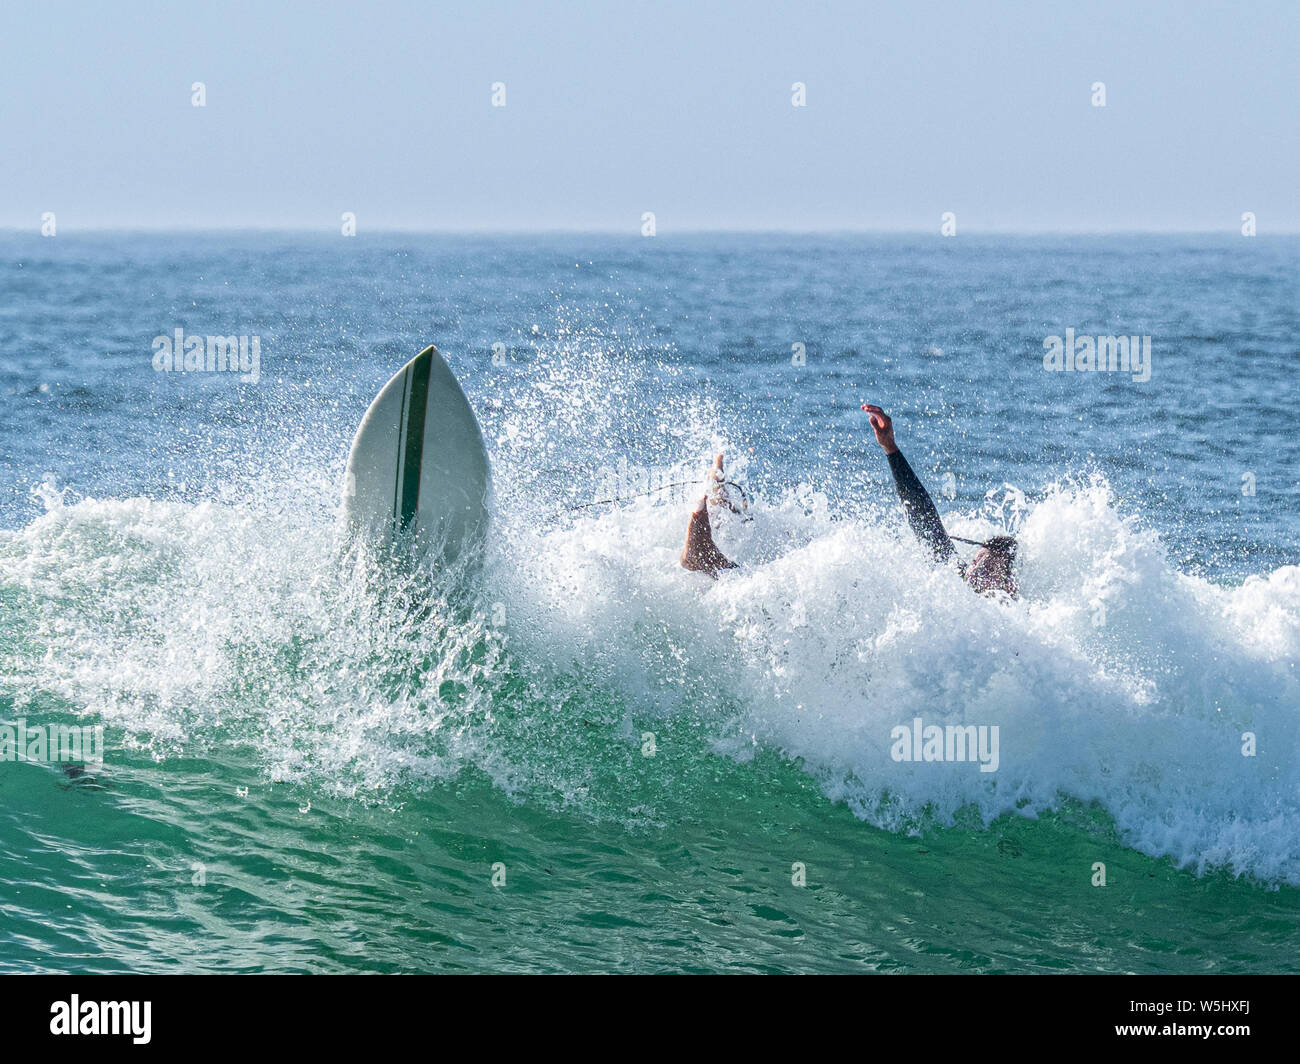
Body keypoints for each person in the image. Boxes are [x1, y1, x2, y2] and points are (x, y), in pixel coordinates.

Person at [679, 406, 1018, 598]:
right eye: (976, 561)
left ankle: (710, 561)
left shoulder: (998, 618)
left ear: (1007, 586)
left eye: (986, 568)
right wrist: (891, 450)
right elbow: (923, 518)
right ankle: (722, 515)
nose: (974, 569)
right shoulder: (951, 578)